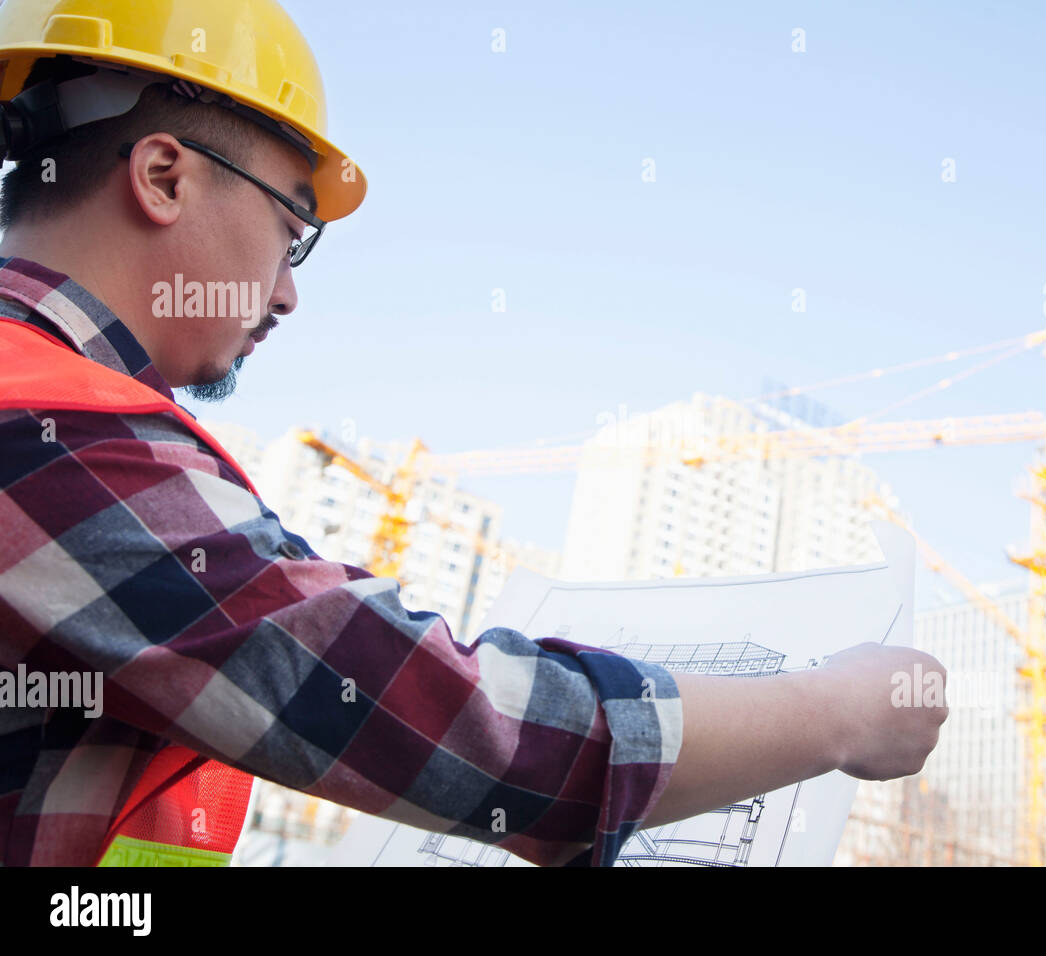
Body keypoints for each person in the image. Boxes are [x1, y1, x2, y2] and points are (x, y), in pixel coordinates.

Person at [0, 0, 947, 867]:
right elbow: (447, 723)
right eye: (292, 230)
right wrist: (835, 713)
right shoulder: (48, 425)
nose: (288, 293)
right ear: (163, 175)